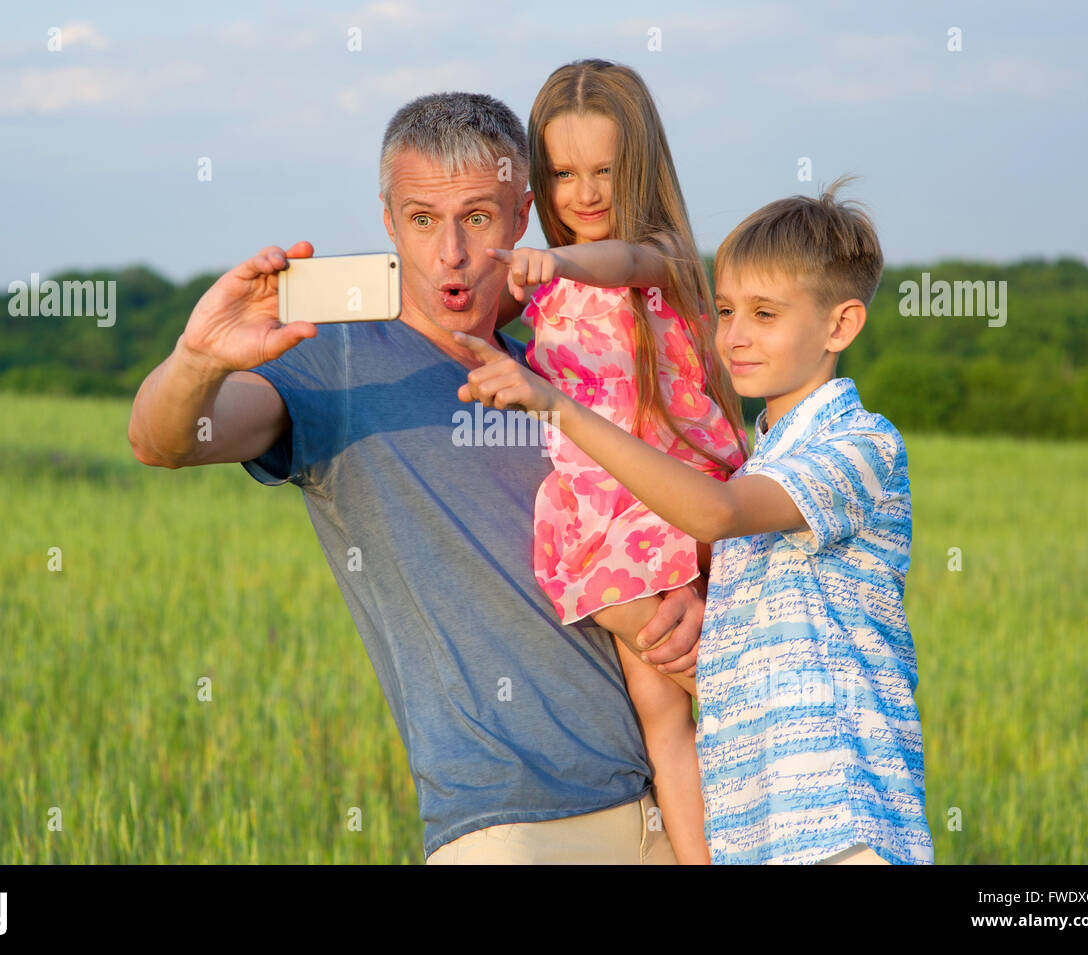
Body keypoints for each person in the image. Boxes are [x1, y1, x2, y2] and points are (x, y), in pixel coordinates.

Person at [127, 91, 709, 864]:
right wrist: (199, 357)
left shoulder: (567, 363)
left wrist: (696, 596)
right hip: (507, 831)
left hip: (670, 812)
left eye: (477, 217)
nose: (450, 255)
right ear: (388, 220)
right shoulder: (332, 359)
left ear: (523, 214)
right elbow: (163, 440)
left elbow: (691, 503)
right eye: (422, 220)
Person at [453, 175, 936, 865]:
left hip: (845, 825)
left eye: (766, 315)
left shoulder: (859, 445)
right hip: (759, 832)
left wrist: (553, 405)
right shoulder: (756, 462)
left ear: (841, 324)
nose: (735, 336)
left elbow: (714, 512)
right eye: (727, 311)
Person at [487, 59, 748, 864]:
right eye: (563, 174)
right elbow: (448, 300)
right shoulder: (532, 280)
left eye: (605, 171)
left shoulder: (658, 256)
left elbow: (620, 263)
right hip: (597, 513)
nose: (585, 192)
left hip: (668, 498)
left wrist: (555, 262)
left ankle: (811, 791)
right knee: (657, 705)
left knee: (726, 687)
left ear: (638, 168)